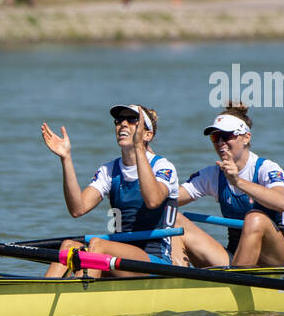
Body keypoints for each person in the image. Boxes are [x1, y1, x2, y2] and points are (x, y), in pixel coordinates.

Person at [41, 105, 180, 278]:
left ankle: (78, 298)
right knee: (69, 246)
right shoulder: (109, 170)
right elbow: (78, 209)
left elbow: (153, 200)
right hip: (118, 258)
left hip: (156, 261)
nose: (123, 124)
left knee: (97, 245)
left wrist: (138, 148)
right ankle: (40, 296)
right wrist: (66, 158)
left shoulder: (163, 167)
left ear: (147, 135)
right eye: (119, 120)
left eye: (131, 120)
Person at [174, 104, 284, 267]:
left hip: (274, 260)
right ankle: (177, 281)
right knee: (174, 220)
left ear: (246, 137)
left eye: (227, 136)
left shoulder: (266, 169)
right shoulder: (213, 174)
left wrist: (237, 182)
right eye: (216, 137)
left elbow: (282, 202)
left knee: (255, 218)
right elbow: (168, 200)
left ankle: (234, 282)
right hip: (234, 257)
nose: (221, 142)